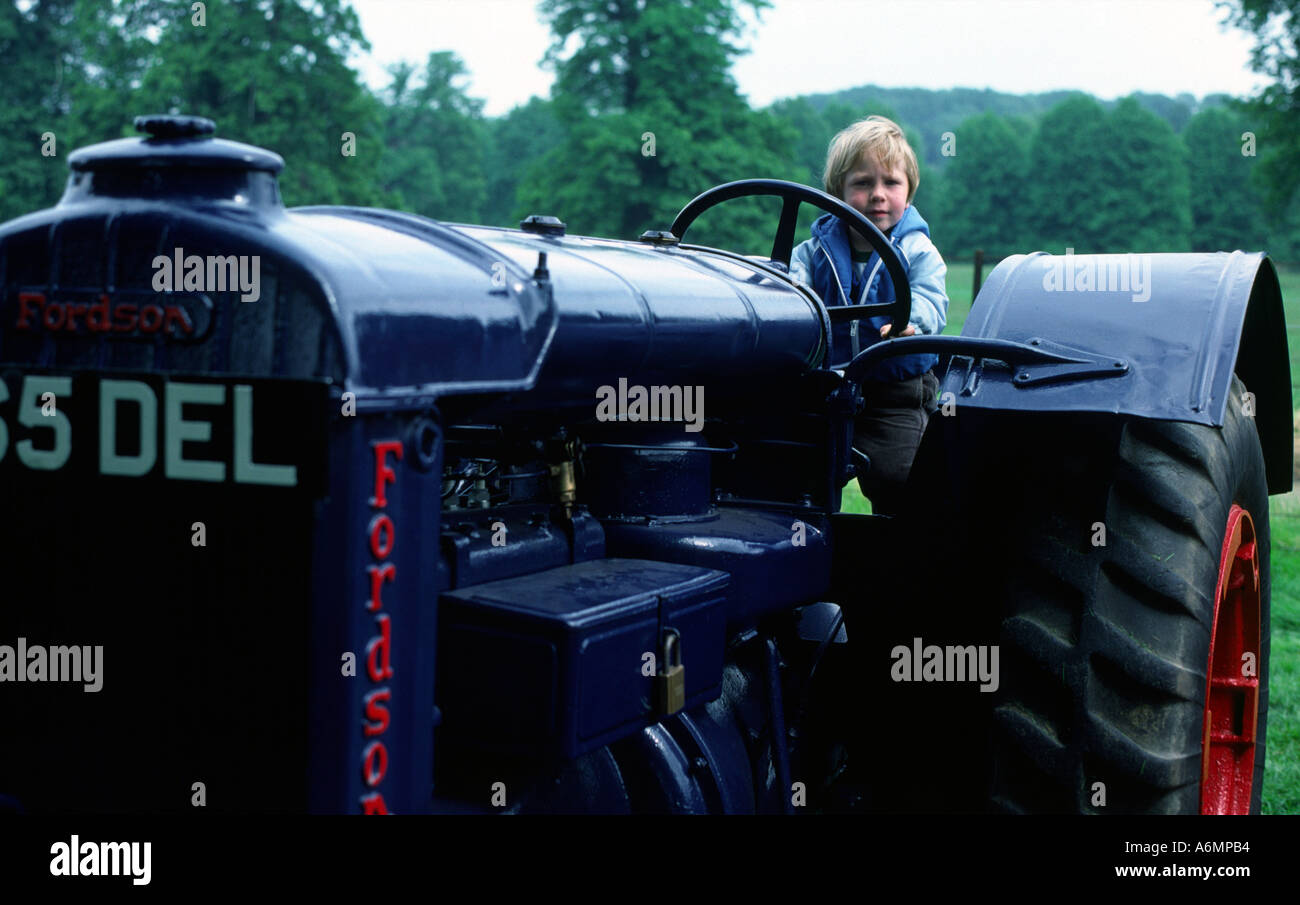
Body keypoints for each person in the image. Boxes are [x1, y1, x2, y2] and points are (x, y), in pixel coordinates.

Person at [789, 115, 949, 515]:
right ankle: (811, 539)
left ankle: (896, 551)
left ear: (909, 192)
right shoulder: (812, 252)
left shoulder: (917, 250)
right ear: (838, 193)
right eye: (862, 183)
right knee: (799, 472)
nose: (878, 194)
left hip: (896, 390)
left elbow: (932, 297)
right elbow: (791, 294)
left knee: (899, 478)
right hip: (827, 386)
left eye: (891, 183)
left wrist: (914, 320)